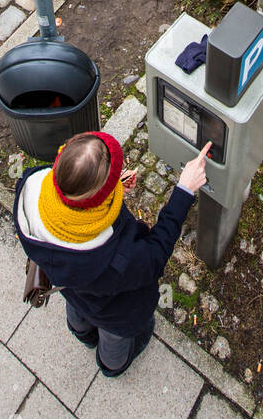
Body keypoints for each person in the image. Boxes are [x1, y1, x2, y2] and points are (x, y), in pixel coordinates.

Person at [14, 130, 211, 377]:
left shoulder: (30, 188)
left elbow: (74, 200)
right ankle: (111, 366)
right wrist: (184, 191)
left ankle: (83, 335)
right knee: (115, 342)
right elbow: (154, 256)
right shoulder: (114, 258)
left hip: (72, 293)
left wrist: (112, 188)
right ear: (99, 199)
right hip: (114, 314)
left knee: (78, 315)